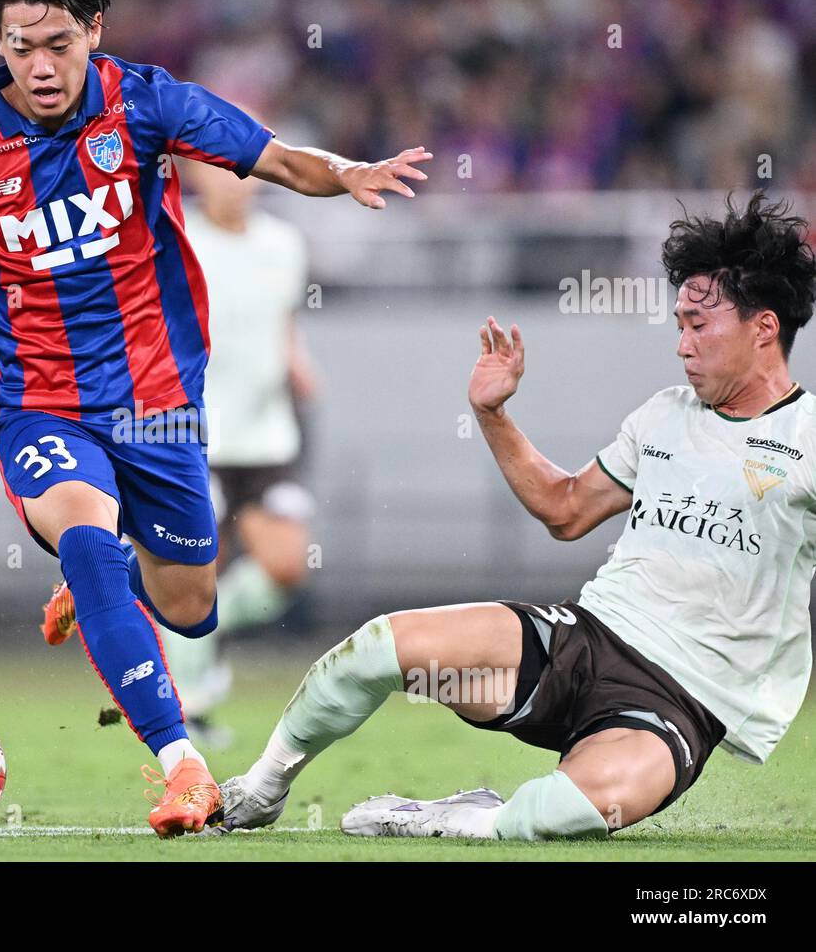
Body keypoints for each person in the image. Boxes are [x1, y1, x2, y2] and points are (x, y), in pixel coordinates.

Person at [0, 0, 430, 837]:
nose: (43, 67)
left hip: (160, 407)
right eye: (24, 48)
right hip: (40, 406)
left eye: (60, 43)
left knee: (191, 605)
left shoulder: (147, 103)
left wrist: (342, 173)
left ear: (95, 29)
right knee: (89, 535)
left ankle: (100, 591)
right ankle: (183, 763)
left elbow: (272, 157)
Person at [217, 193, 815, 840]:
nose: (682, 346)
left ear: (764, 328)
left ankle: (458, 818)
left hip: (681, 704)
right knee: (375, 651)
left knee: (563, 814)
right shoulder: (664, 416)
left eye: (700, 326)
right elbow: (565, 510)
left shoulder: (807, 437)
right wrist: (493, 416)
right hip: (584, 643)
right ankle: (260, 788)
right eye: (679, 325)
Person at [160, 156, 317, 748]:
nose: (234, 180)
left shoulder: (284, 243)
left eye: (242, 167)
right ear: (193, 176)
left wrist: (297, 361)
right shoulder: (177, 237)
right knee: (194, 571)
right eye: (218, 168)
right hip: (194, 433)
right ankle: (186, 708)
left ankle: (204, 640)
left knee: (285, 568)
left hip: (268, 434)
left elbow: (281, 320)